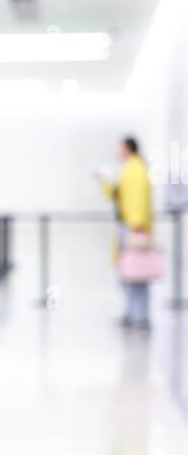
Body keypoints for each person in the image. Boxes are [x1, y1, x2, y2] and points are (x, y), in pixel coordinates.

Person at [96, 136, 153, 329]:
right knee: (130, 271)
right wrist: (103, 181)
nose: (117, 152)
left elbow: (136, 198)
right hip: (130, 226)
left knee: (136, 272)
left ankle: (138, 315)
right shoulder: (129, 169)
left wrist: (136, 225)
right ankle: (133, 313)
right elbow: (116, 194)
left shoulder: (135, 170)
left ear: (129, 148)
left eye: (120, 148)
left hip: (132, 228)